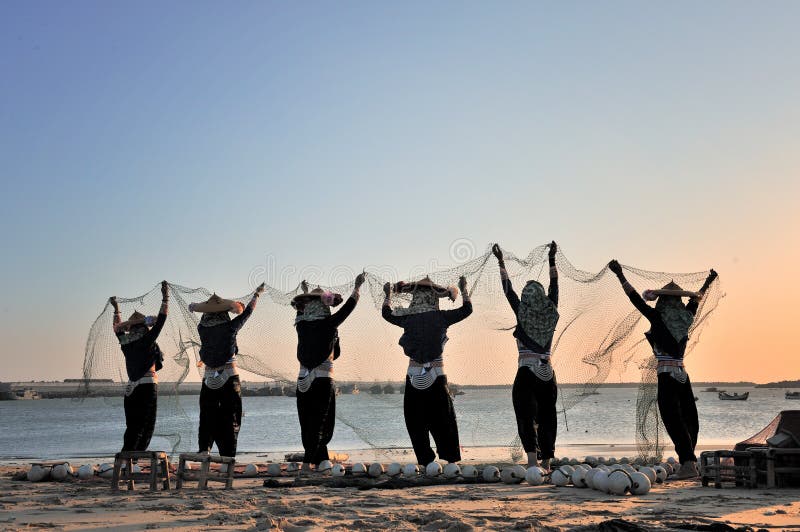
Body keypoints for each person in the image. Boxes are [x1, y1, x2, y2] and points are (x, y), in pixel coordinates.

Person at [609, 259, 718, 479]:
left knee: (672, 417)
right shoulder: (686, 317)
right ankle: (689, 461)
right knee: (689, 417)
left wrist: (619, 275)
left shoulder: (657, 317)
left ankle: (687, 463)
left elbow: (635, 300)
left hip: (667, 375)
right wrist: (708, 282)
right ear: (678, 301)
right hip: (683, 375)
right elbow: (697, 299)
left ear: (662, 301)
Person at [381, 275, 472, 466]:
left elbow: (386, 314)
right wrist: (464, 290)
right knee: (444, 418)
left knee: (415, 420)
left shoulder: (407, 318)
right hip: (437, 374)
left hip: (413, 374)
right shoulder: (441, 317)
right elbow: (467, 309)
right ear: (434, 297)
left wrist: (387, 296)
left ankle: (425, 461)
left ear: (414, 298)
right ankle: (451, 461)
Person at [492, 242, 560, 470]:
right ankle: (547, 463)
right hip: (548, 374)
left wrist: (500, 262)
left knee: (525, 416)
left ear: (526, 298)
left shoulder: (522, 311)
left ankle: (532, 461)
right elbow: (555, 286)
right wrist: (552, 259)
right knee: (549, 417)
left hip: (526, 373)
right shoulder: (551, 311)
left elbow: (507, 289)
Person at [292, 274, 365, 473]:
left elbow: (299, 311)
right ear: (325, 306)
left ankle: (319, 458)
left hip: (302, 381)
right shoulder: (329, 324)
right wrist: (357, 287)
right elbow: (348, 307)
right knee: (321, 421)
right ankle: (307, 464)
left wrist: (306, 293)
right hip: (323, 381)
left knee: (307, 421)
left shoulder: (301, 326)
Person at [189, 283, 265, 457]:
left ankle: (204, 449)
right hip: (229, 375)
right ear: (224, 312)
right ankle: (228, 454)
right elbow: (247, 313)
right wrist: (256, 296)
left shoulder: (201, 328)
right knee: (231, 417)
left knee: (207, 416)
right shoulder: (230, 327)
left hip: (208, 377)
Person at [111, 280, 169, 452]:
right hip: (147, 385)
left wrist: (116, 308)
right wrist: (165, 298)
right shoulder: (147, 339)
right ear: (144, 327)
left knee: (132, 425)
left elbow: (117, 329)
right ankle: (134, 458)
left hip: (130, 388)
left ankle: (126, 457)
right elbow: (161, 320)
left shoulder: (126, 342)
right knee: (146, 424)